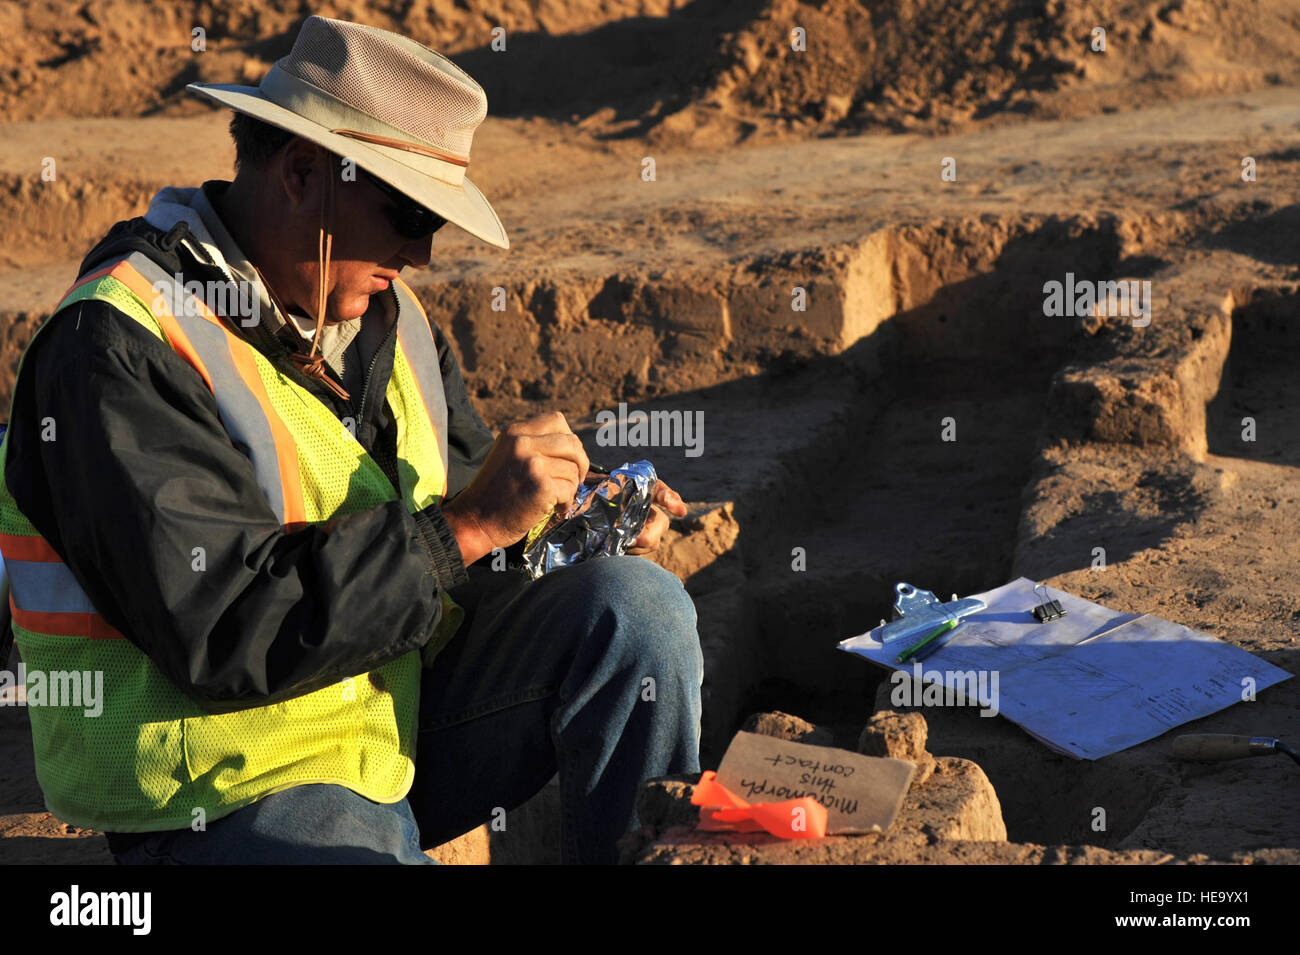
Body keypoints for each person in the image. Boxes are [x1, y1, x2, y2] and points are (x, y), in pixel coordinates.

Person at [0, 15, 703, 865]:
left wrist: (570, 517)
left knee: (638, 609)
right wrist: (470, 528)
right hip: (229, 785)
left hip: (385, 720)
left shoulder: (389, 319)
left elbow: (466, 523)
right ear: (301, 172)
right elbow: (223, 626)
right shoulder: (117, 346)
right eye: (407, 213)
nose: (424, 251)